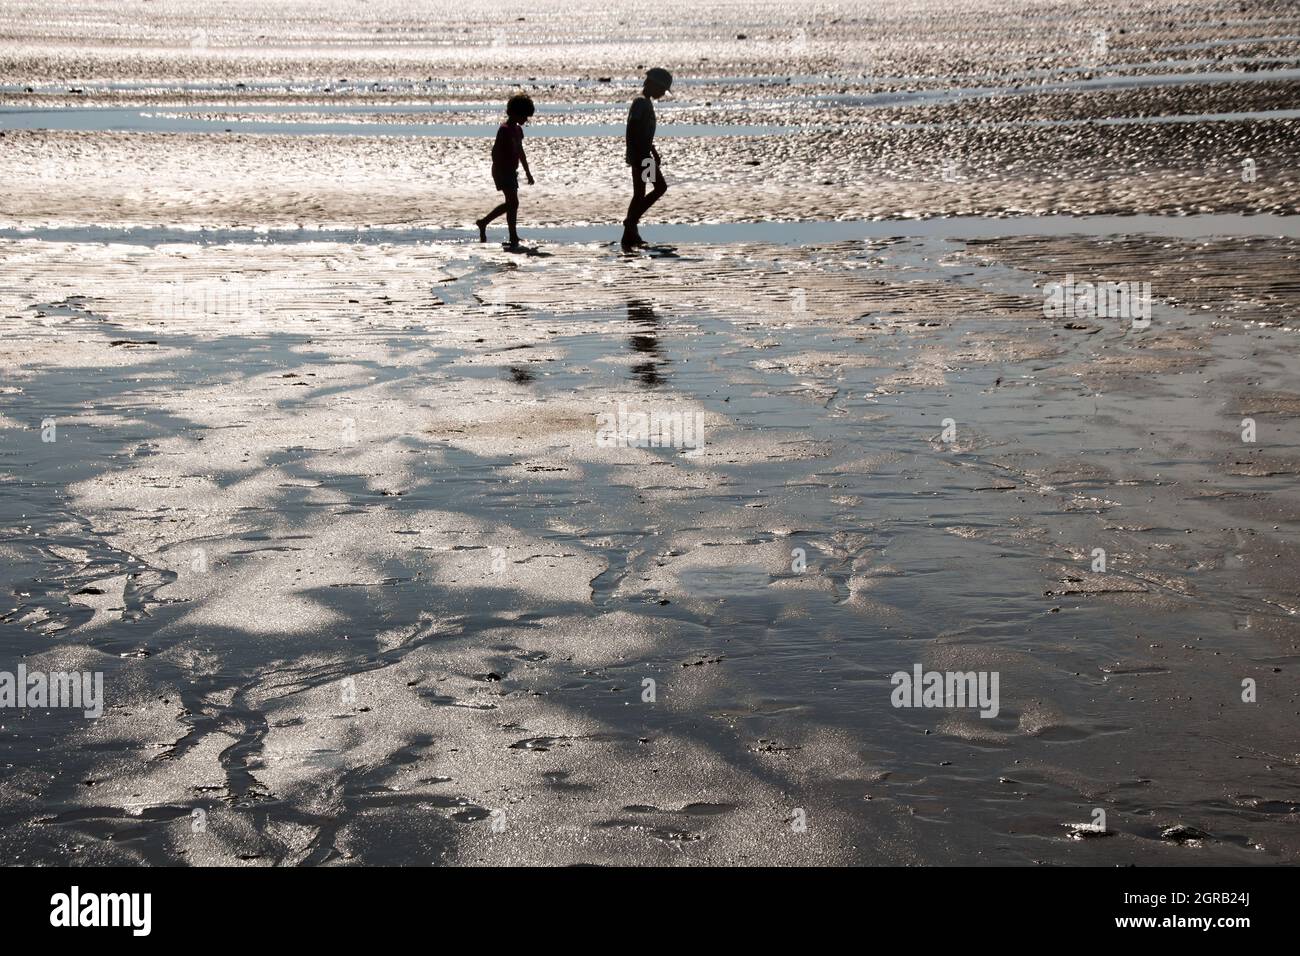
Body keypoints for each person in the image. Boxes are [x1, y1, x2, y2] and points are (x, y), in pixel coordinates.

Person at [622, 68, 672, 250]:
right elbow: (633, 129)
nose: (661, 94)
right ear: (651, 84)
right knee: (660, 187)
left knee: (639, 194)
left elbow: (645, 132)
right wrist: (641, 153)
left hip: (644, 155)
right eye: (661, 89)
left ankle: (629, 236)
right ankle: (631, 221)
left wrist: (654, 151)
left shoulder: (646, 103)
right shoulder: (641, 103)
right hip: (641, 157)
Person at [477, 94, 536, 246]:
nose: (526, 120)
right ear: (515, 113)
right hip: (502, 170)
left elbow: (521, 152)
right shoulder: (504, 130)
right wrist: (501, 168)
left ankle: (497, 228)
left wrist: (528, 172)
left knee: (512, 203)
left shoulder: (517, 131)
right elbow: (495, 152)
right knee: (513, 202)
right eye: (524, 116)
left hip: (511, 171)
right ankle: (503, 231)